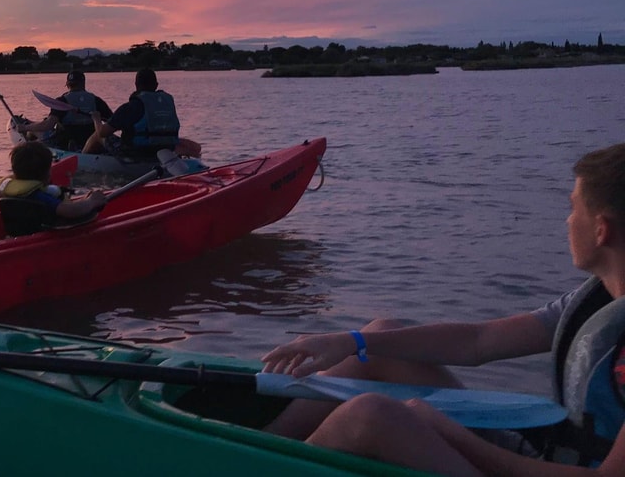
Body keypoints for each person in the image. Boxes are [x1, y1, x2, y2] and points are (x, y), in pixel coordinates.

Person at [259, 143, 625, 475]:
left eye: (573, 208)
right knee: (378, 341)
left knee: (369, 416)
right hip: (548, 456)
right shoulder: (598, 299)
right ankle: (259, 445)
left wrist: (450, 434)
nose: (566, 220)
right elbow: (478, 341)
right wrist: (350, 341)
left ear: (601, 230)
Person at [82, 68, 202, 158]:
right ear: (156, 85)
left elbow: (103, 133)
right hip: (164, 151)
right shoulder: (167, 102)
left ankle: (82, 159)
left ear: (136, 85)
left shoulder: (131, 107)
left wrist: (96, 119)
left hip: (136, 154)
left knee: (97, 135)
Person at [0, 141, 107, 236]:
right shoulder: (40, 196)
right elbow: (69, 210)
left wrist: (83, 201)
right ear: (47, 173)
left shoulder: (11, 192)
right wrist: (91, 202)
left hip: (20, 236)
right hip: (43, 239)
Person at [17, 70, 113, 151]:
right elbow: (112, 122)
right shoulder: (96, 100)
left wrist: (25, 128)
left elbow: (48, 125)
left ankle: (28, 139)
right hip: (91, 140)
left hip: (64, 141)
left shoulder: (62, 101)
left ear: (67, 84)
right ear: (83, 83)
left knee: (32, 131)